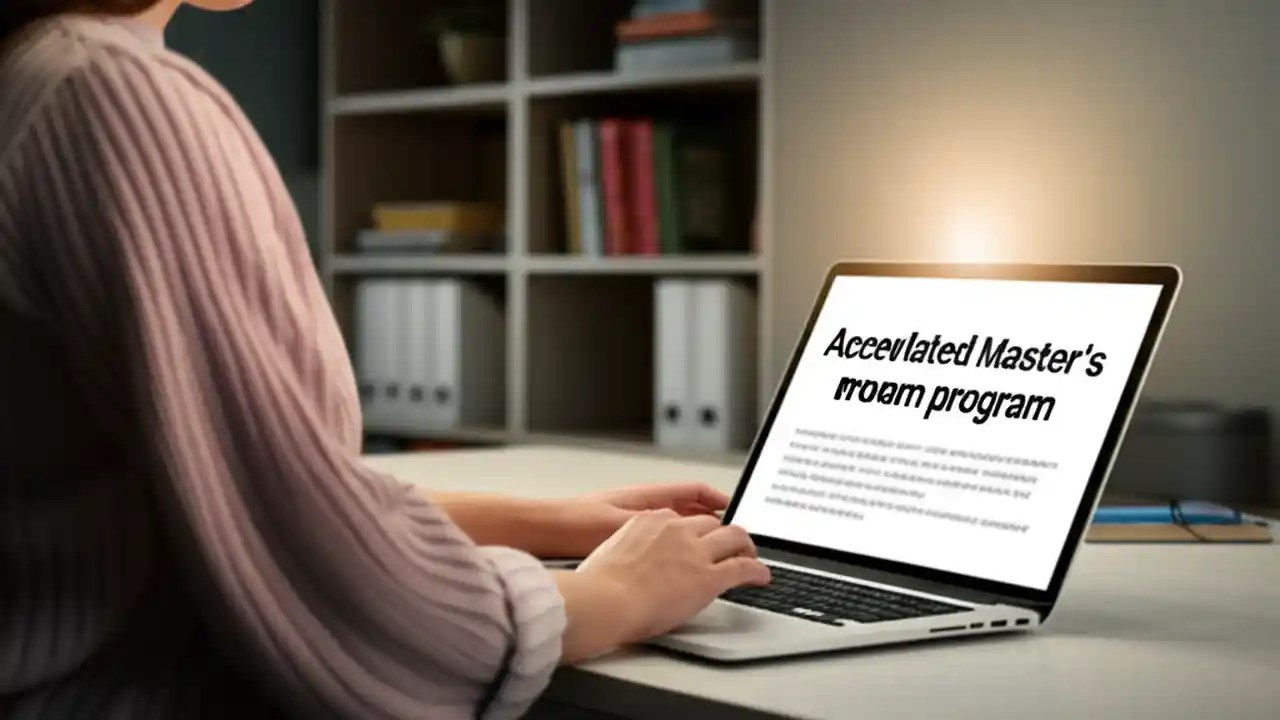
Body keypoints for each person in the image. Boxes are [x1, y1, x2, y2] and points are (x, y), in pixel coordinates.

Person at [0, 1, 771, 717]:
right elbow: (313, 559)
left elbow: (219, 488)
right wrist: (609, 598)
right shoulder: (105, 96)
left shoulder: (36, 76)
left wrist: (555, 522)